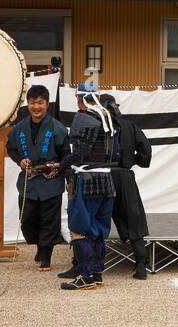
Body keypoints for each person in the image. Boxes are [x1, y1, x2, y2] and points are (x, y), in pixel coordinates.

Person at [58, 93, 152, 281]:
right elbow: (146, 151)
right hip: (123, 176)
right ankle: (141, 265)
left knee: (89, 223)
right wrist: (131, 162)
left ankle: (80, 267)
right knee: (133, 219)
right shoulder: (128, 125)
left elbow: (79, 153)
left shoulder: (91, 122)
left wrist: (63, 168)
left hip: (97, 176)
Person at [48, 84, 116, 291]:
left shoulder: (82, 117)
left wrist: (60, 166)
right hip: (107, 181)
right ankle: (96, 274)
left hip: (85, 180)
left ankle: (85, 276)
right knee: (98, 231)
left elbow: (78, 153)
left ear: (80, 98)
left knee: (79, 230)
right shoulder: (109, 118)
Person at [5, 85, 70, 271]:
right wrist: (20, 161)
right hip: (28, 182)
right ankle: (40, 246)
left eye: (40, 103)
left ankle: (46, 255)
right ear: (28, 104)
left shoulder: (57, 128)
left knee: (50, 220)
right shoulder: (20, 127)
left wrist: (66, 179)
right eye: (33, 103)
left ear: (47, 104)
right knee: (27, 220)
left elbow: (66, 155)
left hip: (51, 180)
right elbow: (10, 148)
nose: (36, 107)